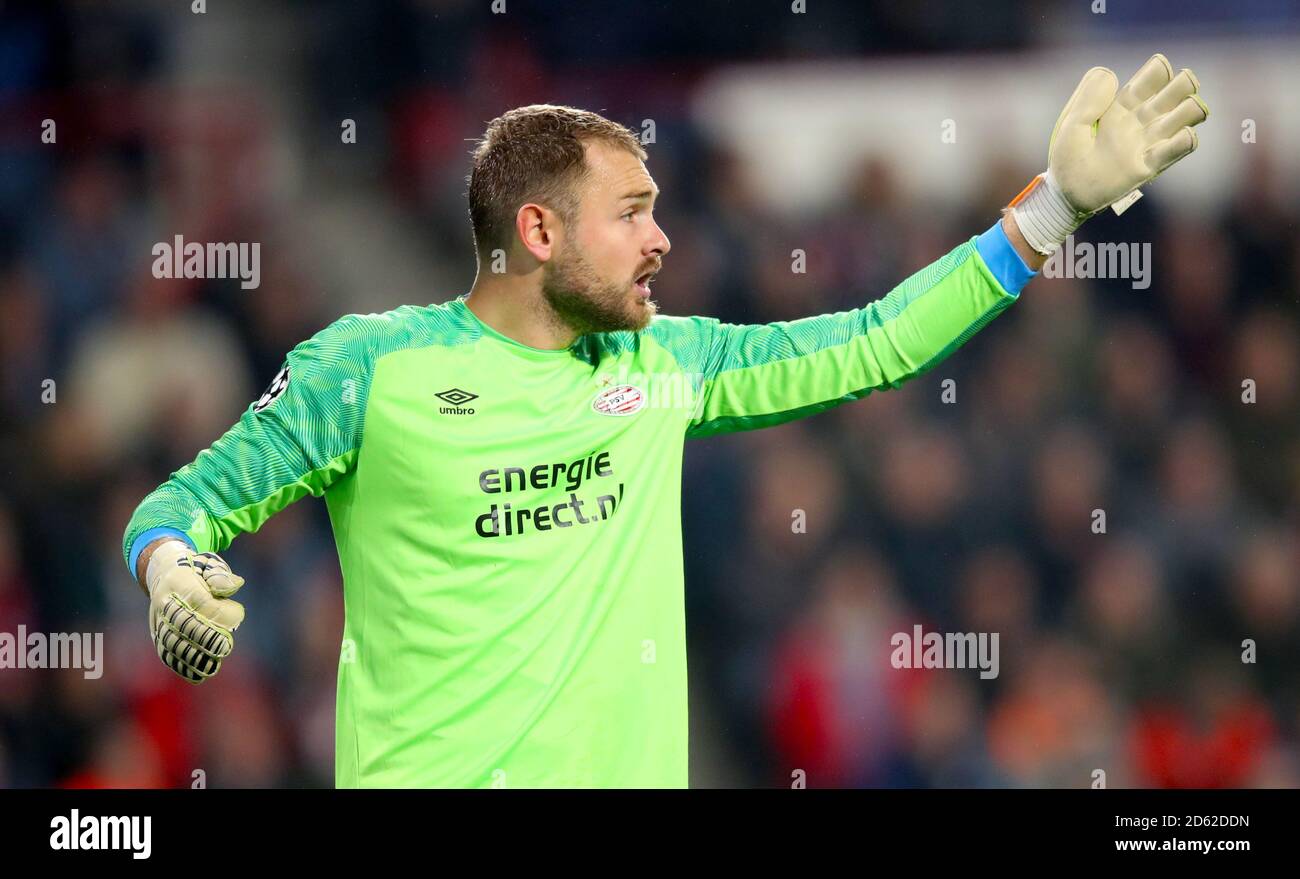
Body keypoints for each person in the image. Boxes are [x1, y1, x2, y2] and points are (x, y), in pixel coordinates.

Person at [124, 54, 1208, 787]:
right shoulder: (371, 368)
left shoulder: (664, 365)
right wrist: (171, 563)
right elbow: (187, 504)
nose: (662, 241)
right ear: (540, 229)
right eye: (632, 213)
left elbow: (878, 340)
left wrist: (1052, 209)